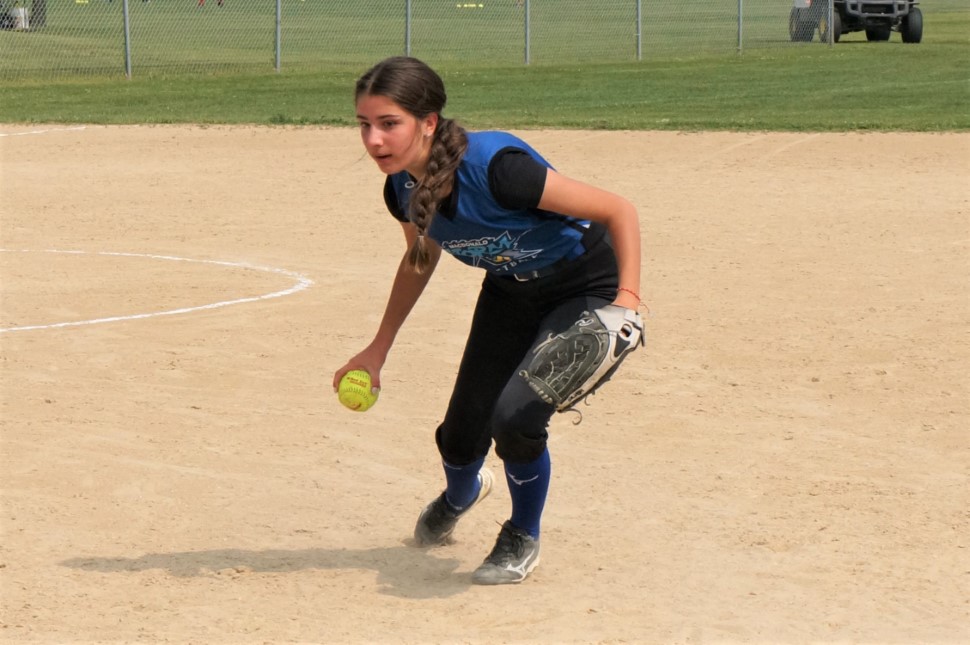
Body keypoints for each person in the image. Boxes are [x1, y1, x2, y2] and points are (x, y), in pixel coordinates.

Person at [333, 56, 644, 585]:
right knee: (458, 437)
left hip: (581, 287)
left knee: (516, 419)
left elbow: (618, 210)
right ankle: (461, 493)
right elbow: (420, 259)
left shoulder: (499, 170)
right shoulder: (401, 191)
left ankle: (522, 535)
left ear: (427, 122)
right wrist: (377, 348)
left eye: (389, 123)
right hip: (509, 293)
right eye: (364, 124)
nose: (373, 140)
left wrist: (627, 304)